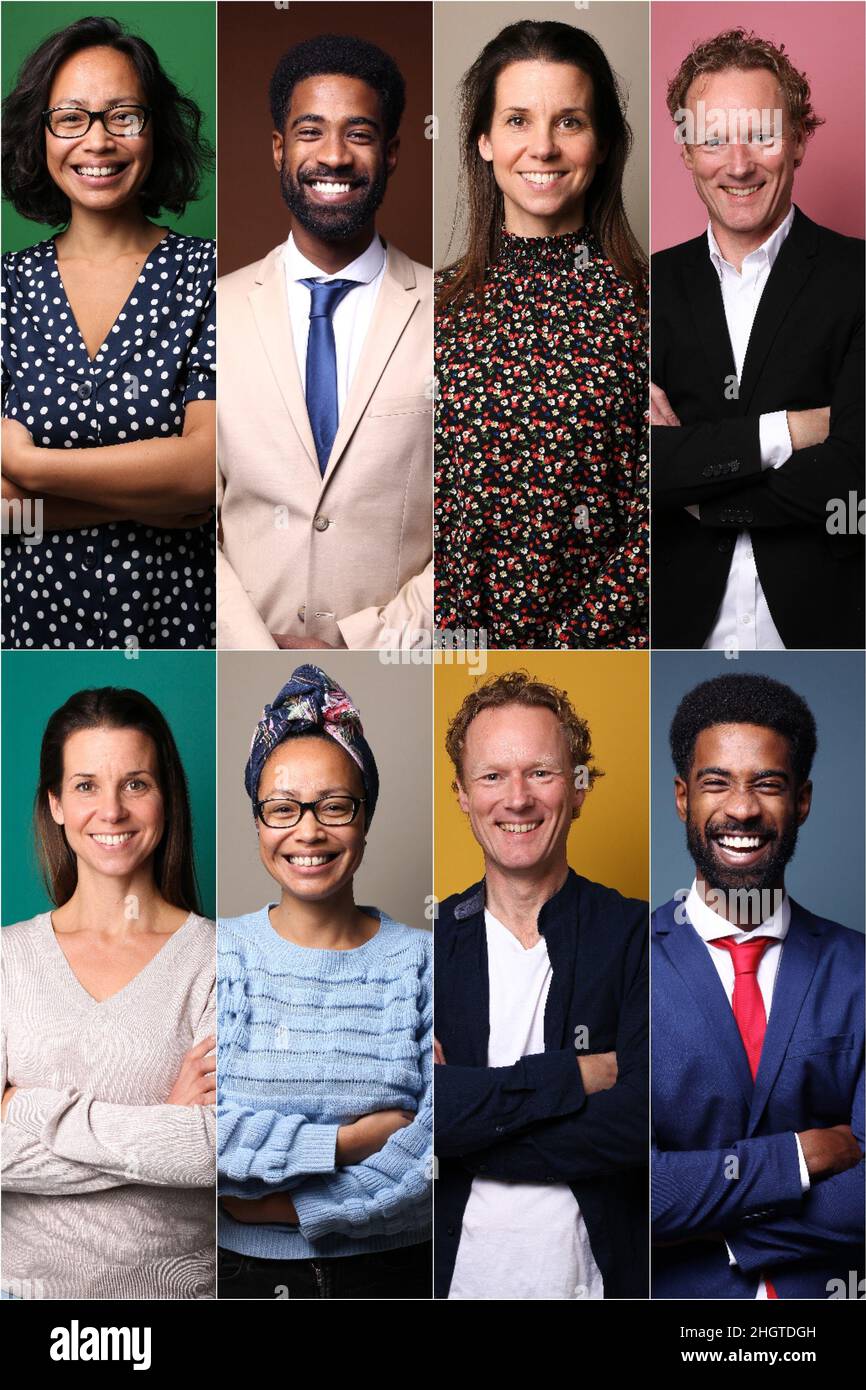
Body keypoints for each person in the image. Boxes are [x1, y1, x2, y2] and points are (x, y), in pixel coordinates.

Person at [0, 15, 216, 650]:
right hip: (28, 631)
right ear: (39, 134)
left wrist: (25, 464)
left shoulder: (207, 276)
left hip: (180, 622)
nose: (97, 140)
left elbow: (204, 470)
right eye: (70, 117)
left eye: (123, 115)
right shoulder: (4, 287)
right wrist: (154, 500)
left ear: (156, 132)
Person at [217, 664, 432, 1299]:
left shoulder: (424, 964)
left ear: (365, 817)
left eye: (335, 806)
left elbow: (435, 1157)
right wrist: (347, 1142)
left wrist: (284, 1208)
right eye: (282, 808)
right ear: (257, 821)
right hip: (242, 1279)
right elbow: (201, 1134)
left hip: (397, 1275)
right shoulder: (216, 956)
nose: (308, 831)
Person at [434, 671, 648, 1299]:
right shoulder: (427, 942)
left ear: (578, 789)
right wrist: (576, 1077)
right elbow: (417, 1114)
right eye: (493, 776)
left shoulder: (638, 935)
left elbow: (639, 1124)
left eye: (542, 773)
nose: (518, 799)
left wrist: (466, 1133)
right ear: (463, 795)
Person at [435, 20, 648, 650]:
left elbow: (664, 509)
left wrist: (572, 649)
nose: (544, 148)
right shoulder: (433, 308)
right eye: (519, 120)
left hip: (610, 650)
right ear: (483, 140)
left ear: (604, 143)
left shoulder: (653, 306)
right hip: (450, 655)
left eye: (571, 121)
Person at [652, 673, 865, 1298]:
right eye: (716, 782)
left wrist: (723, 1234)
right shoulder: (624, 965)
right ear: (682, 797)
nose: (741, 809)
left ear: (801, 801)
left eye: (767, 784)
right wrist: (799, 1158)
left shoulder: (857, 967)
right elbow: (632, 1185)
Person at [651, 28, 865, 649]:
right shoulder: (638, 290)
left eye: (762, 135)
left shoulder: (858, 278)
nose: (738, 164)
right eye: (714, 139)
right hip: (670, 639)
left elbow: (854, 474)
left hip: (831, 643)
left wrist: (701, 490)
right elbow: (628, 472)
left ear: (799, 140)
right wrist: (797, 429)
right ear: (687, 151)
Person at [217, 36, 432, 652]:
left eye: (359, 134)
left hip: (395, 661)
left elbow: (479, 529)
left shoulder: (453, 314)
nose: (333, 156)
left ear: (390, 153)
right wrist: (252, 650)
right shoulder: (213, 310)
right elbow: (187, 521)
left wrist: (363, 643)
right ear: (280, 150)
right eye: (310, 133)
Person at [1, 687, 215, 1300]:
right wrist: (162, 1128)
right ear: (56, 804)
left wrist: (18, 1107)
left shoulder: (219, 960)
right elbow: (180, 1147)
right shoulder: (7, 960)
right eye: (87, 785)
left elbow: (207, 1155)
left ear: (166, 798)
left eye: (137, 784)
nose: (112, 811)